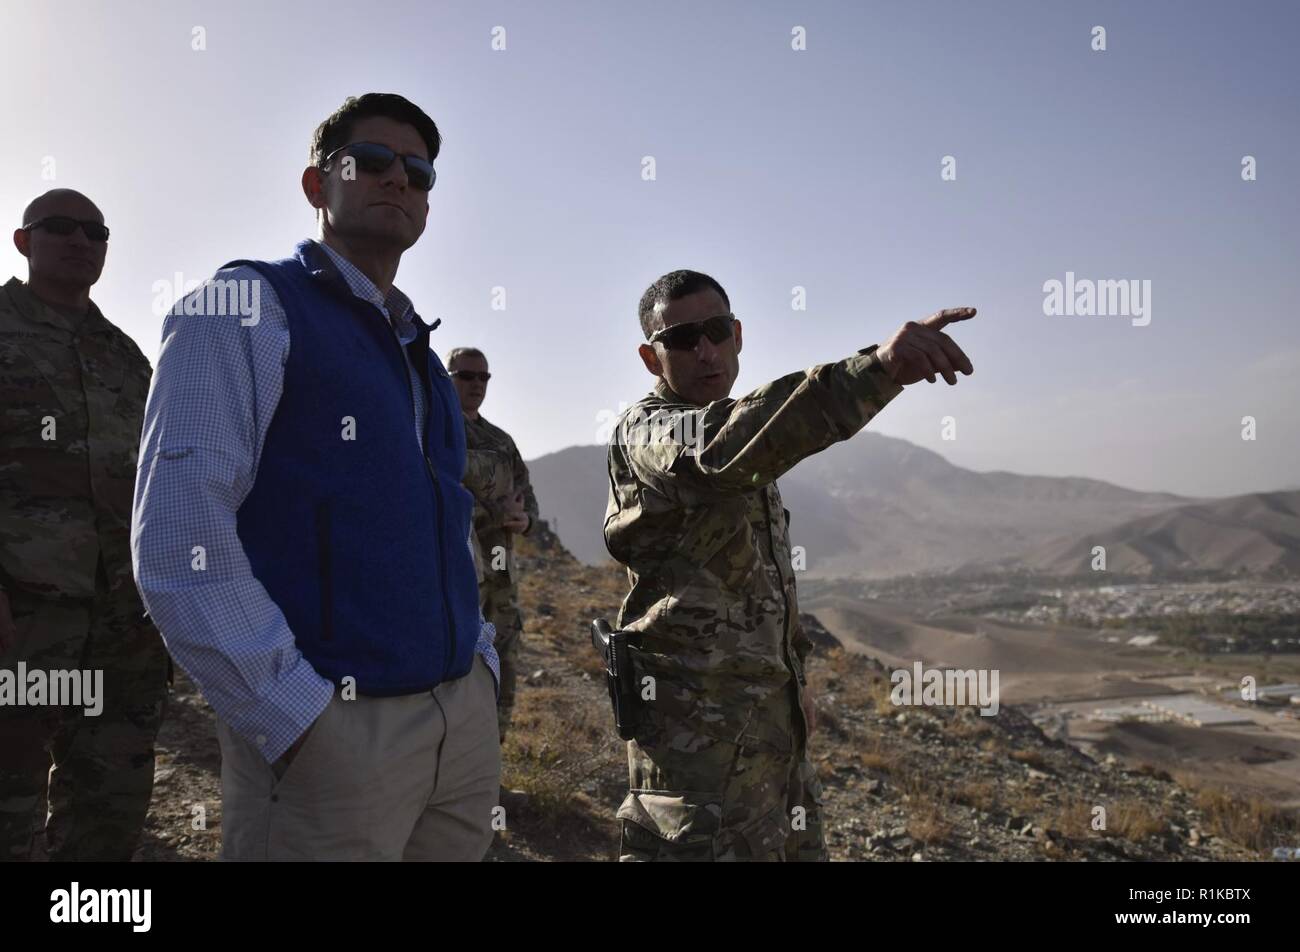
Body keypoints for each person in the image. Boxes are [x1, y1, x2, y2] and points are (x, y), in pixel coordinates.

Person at [132, 93, 500, 861]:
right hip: (334, 737)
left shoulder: (422, 360)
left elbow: (444, 522)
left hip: (457, 726)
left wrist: (480, 667)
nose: (398, 179)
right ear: (316, 185)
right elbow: (179, 535)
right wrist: (291, 713)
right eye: (370, 161)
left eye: (419, 171)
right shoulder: (244, 309)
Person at [603, 268, 976, 861]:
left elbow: (764, 581)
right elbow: (722, 446)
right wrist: (877, 369)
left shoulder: (743, 436)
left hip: (772, 738)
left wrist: (794, 680)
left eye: (717, 330)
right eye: (681, 339)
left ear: (738, 335)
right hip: (697, 758)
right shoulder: (651, 434)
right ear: (652, 358)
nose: (706, 351)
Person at [0, 189, 169, 861]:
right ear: (23, 240)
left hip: (124, 625)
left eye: (95, 232)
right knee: (8, 799)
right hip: (24, 617)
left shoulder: (126, 358)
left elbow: (162, 478)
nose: (80, 241)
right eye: (60, 227)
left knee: (109, 806)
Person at [448, 347, 538, 742]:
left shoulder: (500, 440)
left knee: (503, 660)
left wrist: (525, 519)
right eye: (467, 376)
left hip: (501, 576)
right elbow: (450, 479)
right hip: (460, 575)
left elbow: (525, 493)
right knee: (460, 663)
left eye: (484, 378)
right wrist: (491, 502)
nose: (476, 385)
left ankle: (491, 764)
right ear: (448, 377)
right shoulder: (439, 430)